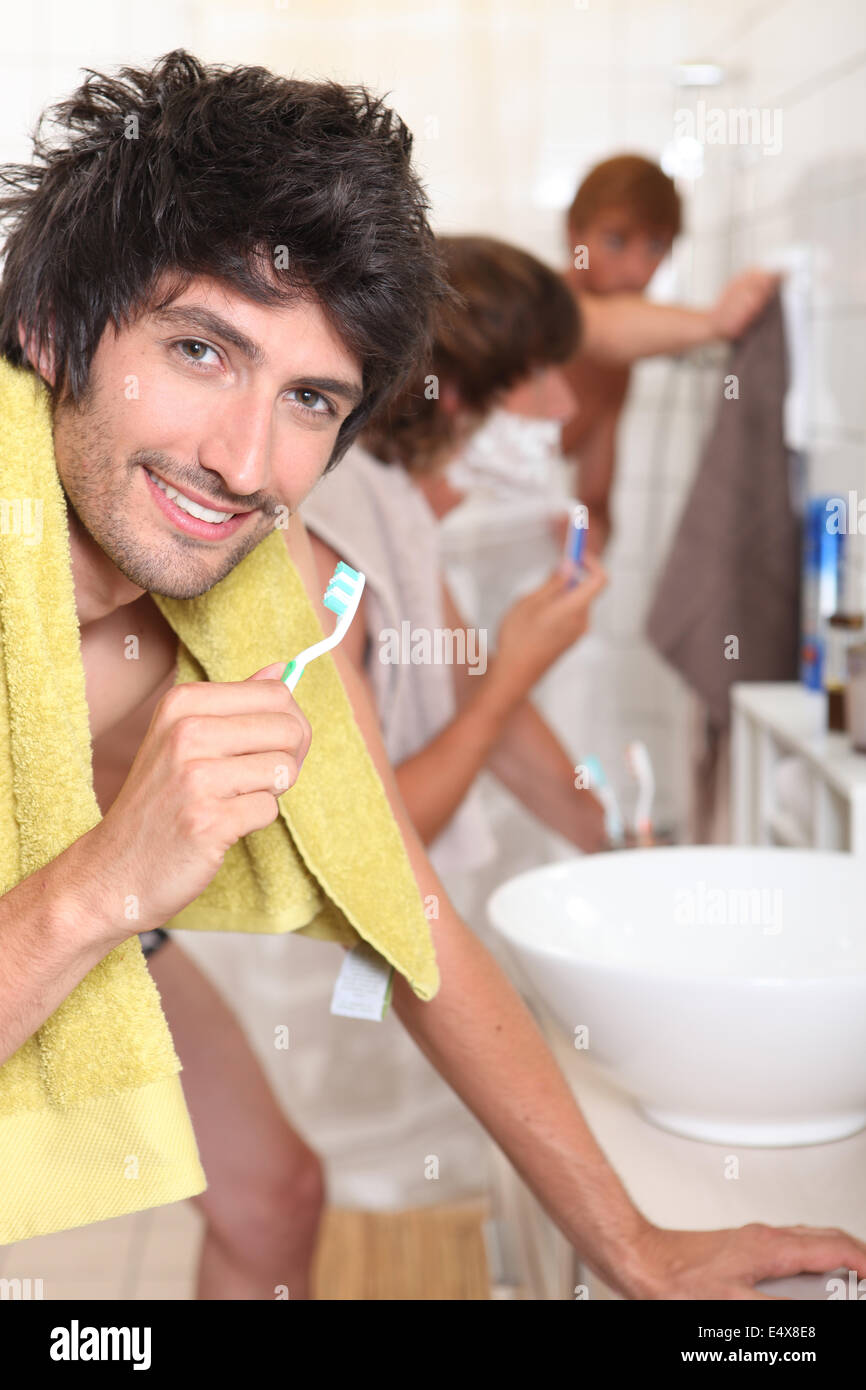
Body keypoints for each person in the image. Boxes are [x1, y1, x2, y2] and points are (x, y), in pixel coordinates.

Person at [1, 51, 862, 1302]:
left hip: (75, 899)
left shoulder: (257, 574)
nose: (243, 459)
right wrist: (101, 887)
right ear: (47, 329)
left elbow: (408, 909)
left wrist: (633, 1246)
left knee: (277, 1194)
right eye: (198, 349)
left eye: (306, 397)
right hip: (70, 898)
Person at [303, 235, 610, 864]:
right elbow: (364, 847)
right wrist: (515, 671)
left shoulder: (396, 522)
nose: (567, 405)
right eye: (542, 376)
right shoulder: (334, 550)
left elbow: (480, 704)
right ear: (458, 395)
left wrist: (620, 849)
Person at [561, 154, 780, 553]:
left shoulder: (617, 365)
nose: (637, 270)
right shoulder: (536, 307)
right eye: (616, 240)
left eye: (656, 247)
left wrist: (583, 555)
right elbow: (599, 327)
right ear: (574, 233)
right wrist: (716, 323)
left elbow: (593, 499)